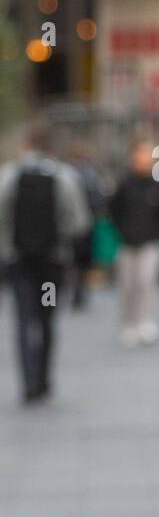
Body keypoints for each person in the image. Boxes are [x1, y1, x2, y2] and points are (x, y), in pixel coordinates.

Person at [0, 122, 92, 404]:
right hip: (51, 266)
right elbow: (78, 222)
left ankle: (28, 381)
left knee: (24, 319)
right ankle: (44, 379)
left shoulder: (9, 177)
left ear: (26, 145)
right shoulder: (64, 176)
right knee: (47, 319)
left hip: (20, 264)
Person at [109, 139, 159, 346]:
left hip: (149, 242)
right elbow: (114, 210)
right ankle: (129, 323)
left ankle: (145, 321)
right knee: (128, 285)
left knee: (147, 282)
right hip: (127, 243)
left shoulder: (157, 185)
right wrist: (122, 231)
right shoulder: (124, 183)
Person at [66, 139, 107, 310]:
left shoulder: (65, 174)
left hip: (68, 226)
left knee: (71, 260)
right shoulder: (90, 175)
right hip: (86, 224)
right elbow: (99, 200)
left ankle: (70, 292)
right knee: (83, 261)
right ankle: (79, 292)